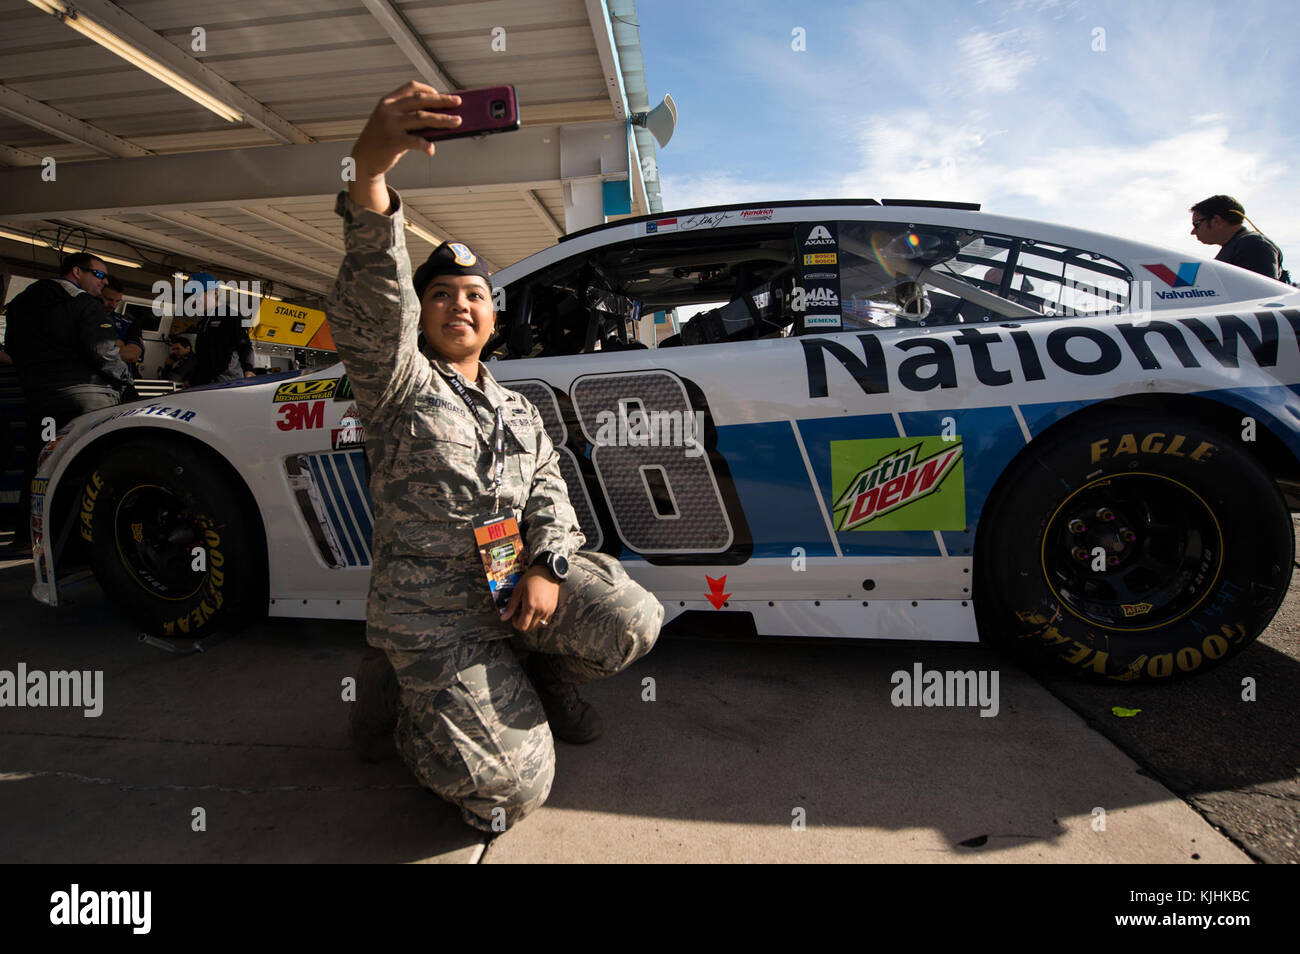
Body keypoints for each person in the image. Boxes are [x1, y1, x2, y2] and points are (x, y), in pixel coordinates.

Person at [327, 81, 663, 832]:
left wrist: (548, 567)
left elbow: (551, 496)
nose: (459, 304)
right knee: (510, 794)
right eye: (440, 294)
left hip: (513, 592)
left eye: (474, 293)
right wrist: (369, 176)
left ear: (492, 316)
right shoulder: (397, 381)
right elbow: (380, 302)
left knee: (634, 619)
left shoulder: (519, 407)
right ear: (422, 316)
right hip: (434, 617)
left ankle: (535, 670)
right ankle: (410, 708)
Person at [1, 253, 136, 552]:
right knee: (93, 466)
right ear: (77, 272)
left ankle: (28, 538)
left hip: (40, 398)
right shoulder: (84, 304)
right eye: (99, 276)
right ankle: (85, 542)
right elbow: (104, 352)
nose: (103, 283)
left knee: (39, 467)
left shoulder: (21, 304)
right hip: (86, 398)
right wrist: (125, 380)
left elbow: (12, 349)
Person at [1189, 195, 1287, 280]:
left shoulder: (1252, 244)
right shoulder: (1239, 245)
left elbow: (1260, 295)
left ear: (1216, 220)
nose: (1193, 232)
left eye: (1196, 224)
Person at [186, 272, 257, 385]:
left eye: (197, 295)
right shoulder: (203, 323)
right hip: (203, 382)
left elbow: (244, 346)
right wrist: (192, 378)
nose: (194, 300)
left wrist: (248, 370)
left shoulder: (231, 316)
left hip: (225, 382)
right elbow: (202, 356)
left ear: (214, 293)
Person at [101, 276, 142, 377]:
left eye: (118, 301)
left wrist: (103, 346)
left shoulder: (128, 323)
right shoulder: (83, 316)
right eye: (109, 299)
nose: (113, 305)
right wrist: (118, 344)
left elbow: (132, 355)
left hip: (121, 380)